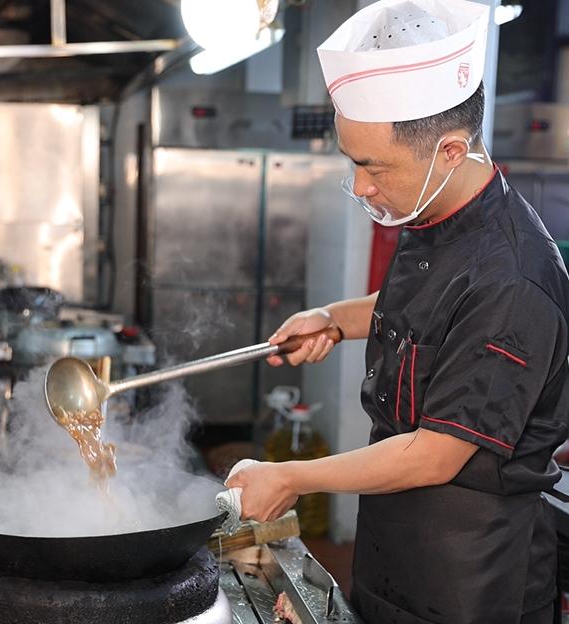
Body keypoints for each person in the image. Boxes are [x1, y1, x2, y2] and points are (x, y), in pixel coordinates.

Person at [226, 1, 569, 622]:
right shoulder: (440, 212)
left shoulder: (516, 281)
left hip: (475, 573)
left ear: (450, 150)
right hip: (394, 542)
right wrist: (335, 317)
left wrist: (290, 477)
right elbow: (433, 311)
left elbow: (438, 453)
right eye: (352, 161)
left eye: (373, 166)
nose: (360, 186)